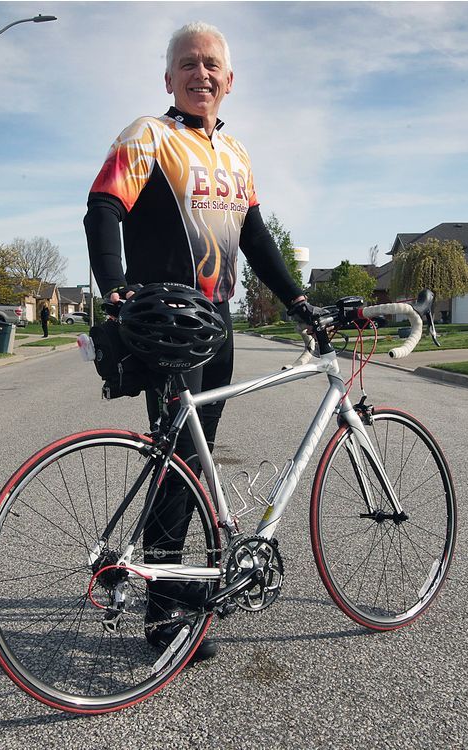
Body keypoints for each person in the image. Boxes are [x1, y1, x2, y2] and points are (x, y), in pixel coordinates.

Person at [84, 21, 317, 662]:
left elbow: (256, 235)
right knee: (181, 463)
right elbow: (103, 207)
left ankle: (179, 584)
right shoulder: (148, 136)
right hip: (165, 324)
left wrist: (298, 302)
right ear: (168, 79)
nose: (201, 73)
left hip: (218, 323)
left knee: (199, 458)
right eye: (188, 64)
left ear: (230, 79)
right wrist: (115, 289)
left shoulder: (238, 155)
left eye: (212, 64)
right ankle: (165, 612)